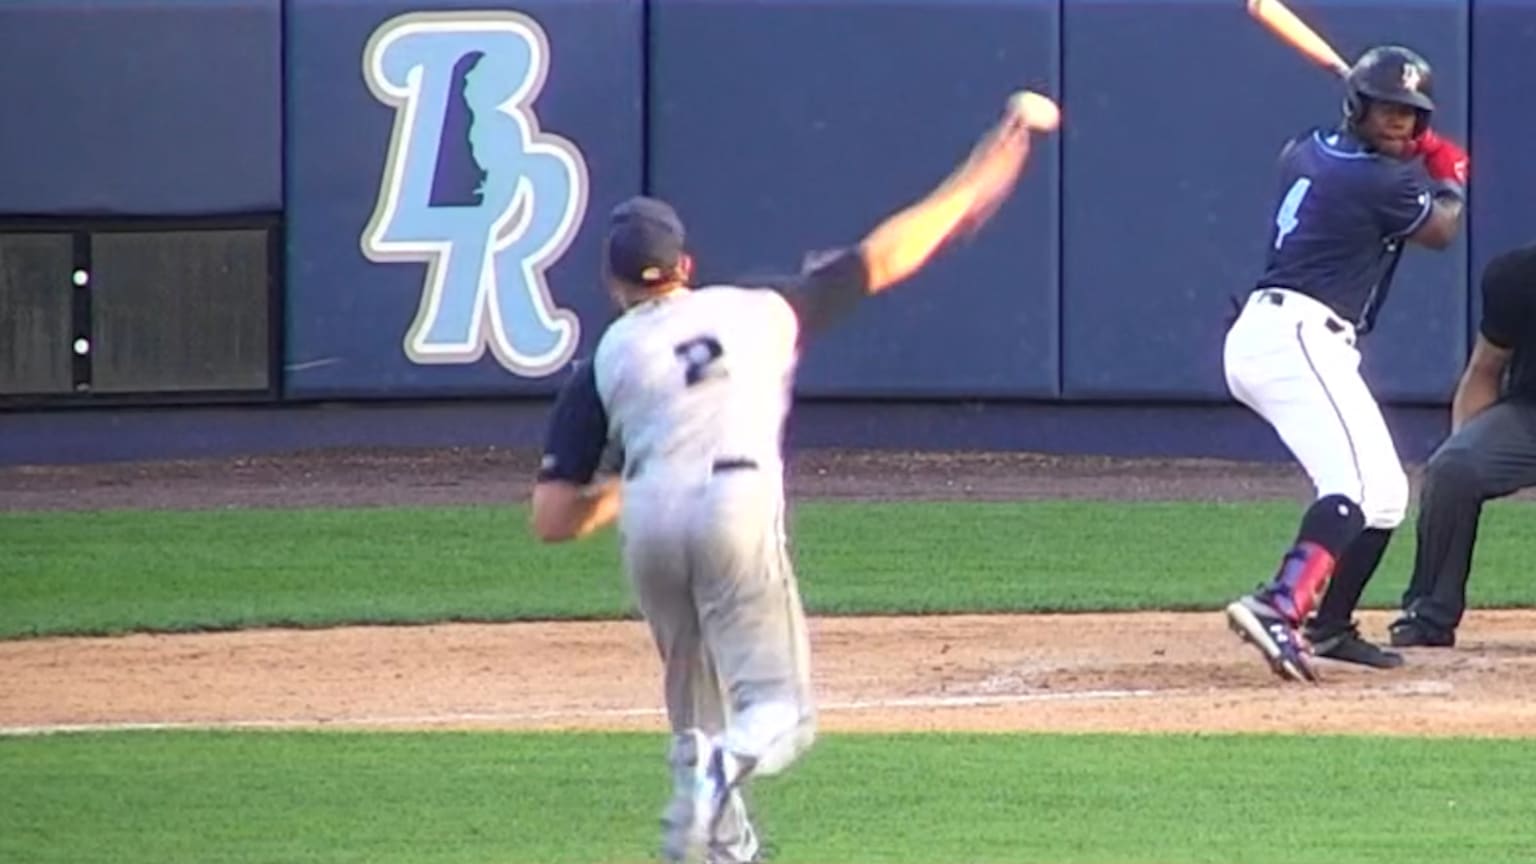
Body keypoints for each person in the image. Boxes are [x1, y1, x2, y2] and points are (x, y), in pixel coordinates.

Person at [528, 97, 1052, 863]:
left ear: (613, 284)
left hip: (650, 519)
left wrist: (626, 486)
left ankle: (726, 846)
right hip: (734, 506)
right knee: (779, 715)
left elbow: (551, 518)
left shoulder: (602, 362)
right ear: (685, 267)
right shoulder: (761, 311)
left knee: (695, 713)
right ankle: (724, 772)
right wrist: (978, 177)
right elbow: (889, 254)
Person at [1220, 45, 1469, 683]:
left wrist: (1412, 152)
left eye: (1410, 114)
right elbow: (1441, 230)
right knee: (1351, 489)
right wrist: (1449, 173)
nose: (1400, 122)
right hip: (1294, 335)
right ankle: (1278, 604)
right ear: (1357, 107)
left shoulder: (1305, 149)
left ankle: (1330, 625)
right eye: (1386, 109)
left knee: (1384, 496)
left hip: (1295, 336)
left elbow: (1372, 164)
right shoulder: (1380, 181)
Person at [1389, 244, 1536, 648]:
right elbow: (1485, 369)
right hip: (1529, 415)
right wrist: (1460, 452)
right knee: (1454, 469)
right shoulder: (1519, 274)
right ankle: (1429, 613)